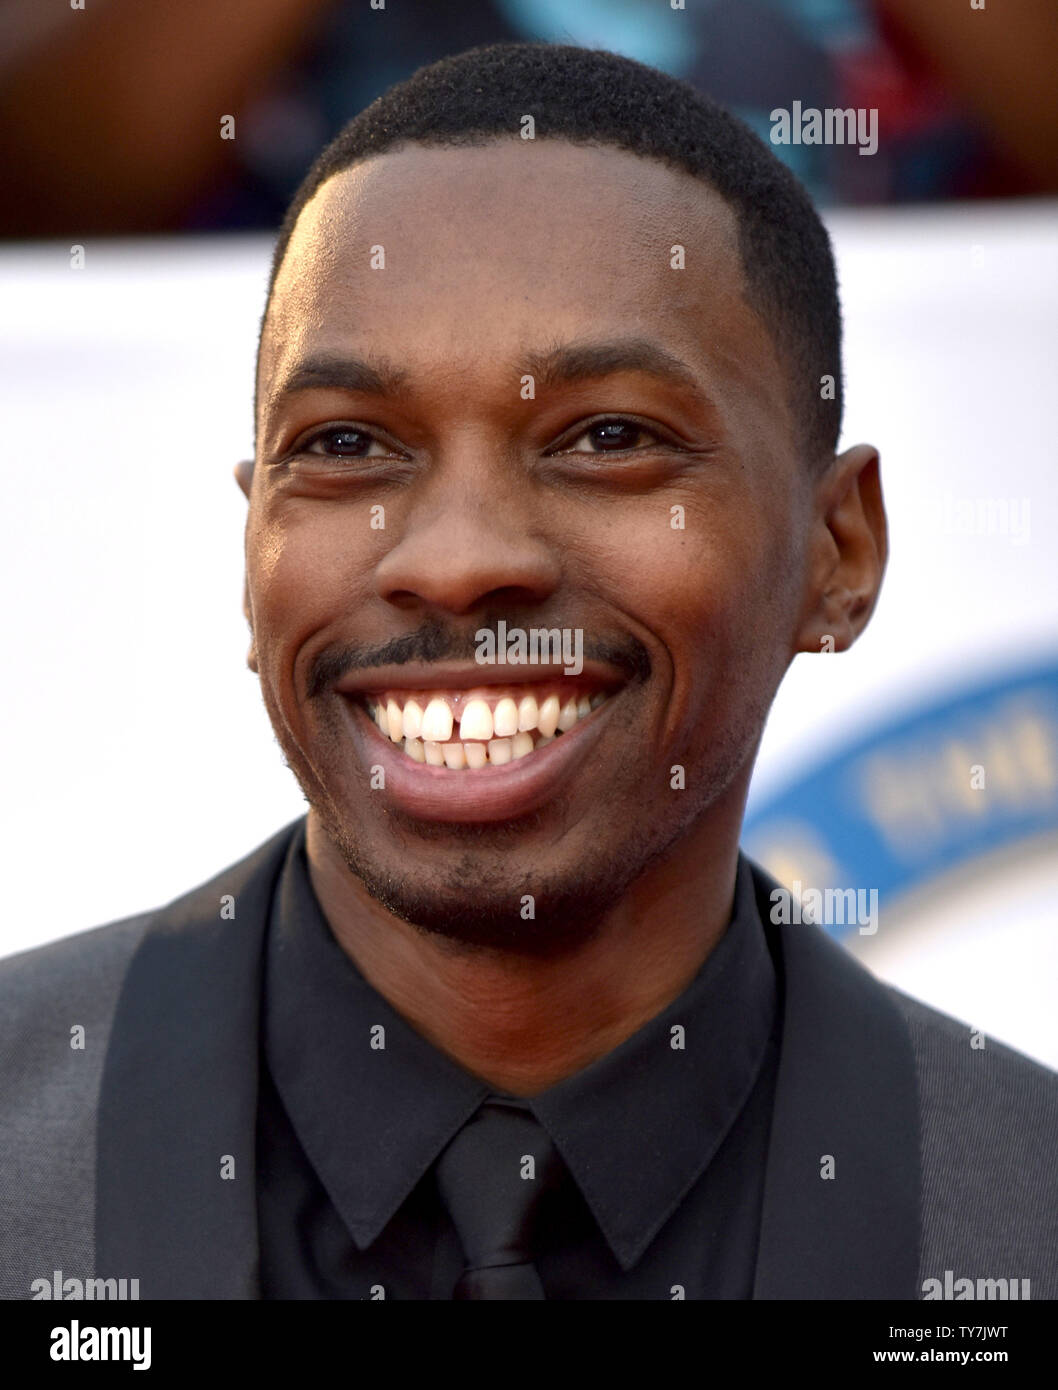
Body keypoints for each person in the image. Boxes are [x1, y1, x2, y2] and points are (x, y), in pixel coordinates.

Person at [1, 42, 1054, 1302]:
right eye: (345, 445)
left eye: (607, 437)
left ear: (836, 550)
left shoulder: (1021, 1209)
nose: (455, 562)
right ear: (251, 544)